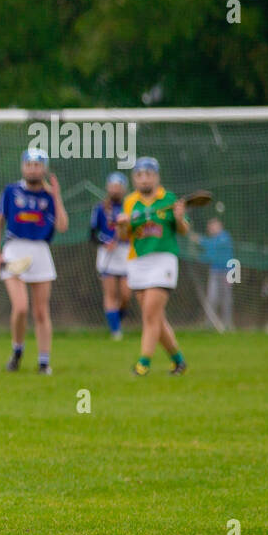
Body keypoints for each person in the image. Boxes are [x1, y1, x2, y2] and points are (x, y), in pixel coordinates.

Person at [0, 147, 68, 373]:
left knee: (41, 312)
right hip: (14, 250)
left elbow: (62, 226)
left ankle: (44, 362)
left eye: (37, 165)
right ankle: (17, 350)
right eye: (29, 165)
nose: (33, 169)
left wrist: (57, 195)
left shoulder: (49, 195)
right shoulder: (11, 191)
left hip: (40, 252)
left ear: (44, 168)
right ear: (23, 167)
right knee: (21, 308)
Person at [115, 157, 188, 375]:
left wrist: (180, 218)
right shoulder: (129, 202)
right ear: (134, 179)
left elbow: (183, 230)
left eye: (149, 174)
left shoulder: (169, 198)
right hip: (138, 261)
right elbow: (124, 236)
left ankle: (143, 364)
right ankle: (179, 361)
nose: (144, 179)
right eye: (139, 175)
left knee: (149, 314)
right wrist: (121, 226)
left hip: (163, 260)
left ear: (157, 177)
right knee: (156, 317)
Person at [90, 172, 132, 339]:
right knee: (110, 294)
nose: (115, 190)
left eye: (118, 187)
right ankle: (115, 331)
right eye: (112, 186)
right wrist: (104, 242)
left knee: (126, 295)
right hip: (107, 254)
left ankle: (117, 321)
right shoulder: (100, 208)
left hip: (126, 252)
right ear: (108, 188)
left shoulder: (130, 207)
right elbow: (92, 234)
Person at [194, 217, 234, 330]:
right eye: (210, 227)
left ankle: (228, 324)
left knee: (226, 299)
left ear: (219, 226)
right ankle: (210, 324)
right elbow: (208, 255)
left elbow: (212, 245)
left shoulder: (225, 237)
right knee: (212, 297)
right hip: (214, 272)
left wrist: (201, 240)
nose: (211, 228)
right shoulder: (212, 241)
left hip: (228, 272)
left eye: (213, 226)